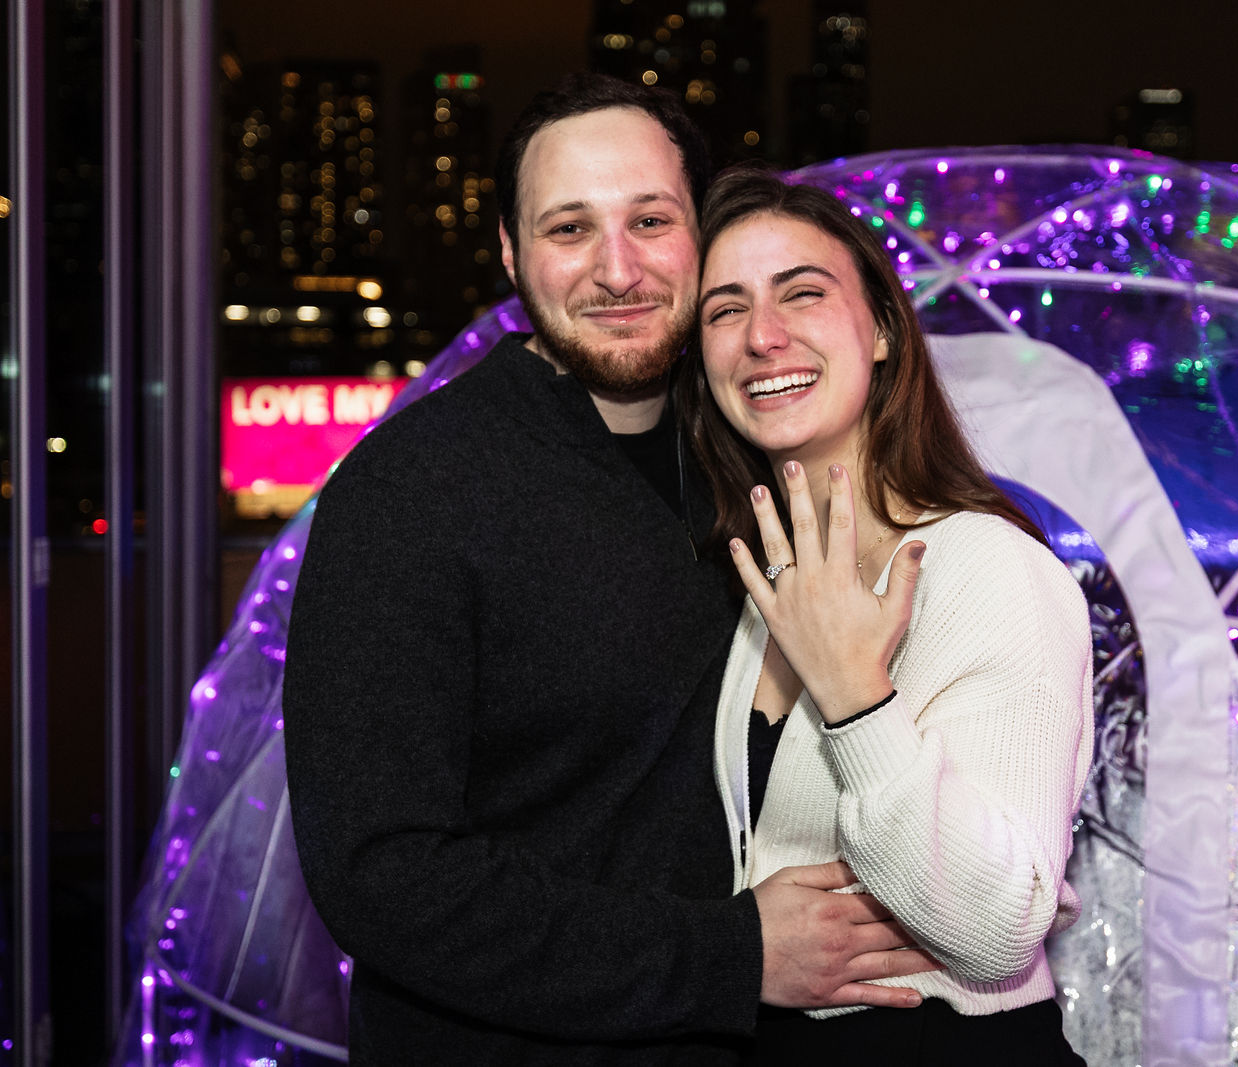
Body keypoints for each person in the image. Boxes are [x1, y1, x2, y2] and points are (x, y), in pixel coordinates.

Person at [283, 75, 935, 1065]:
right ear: (511, 252)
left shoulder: (756, 447)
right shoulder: (412, 489)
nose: (618, 268)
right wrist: (729, 953)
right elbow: (381, 873)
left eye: (650, 220)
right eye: (569, 228)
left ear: (702, 234)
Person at [675, 168, 1094, 1062]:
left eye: (803, 293)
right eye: (725, 309)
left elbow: (999, 929)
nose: (763, 336)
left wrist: (856, 697)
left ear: (883, 332)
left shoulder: (992, 568)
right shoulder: (764, 582)